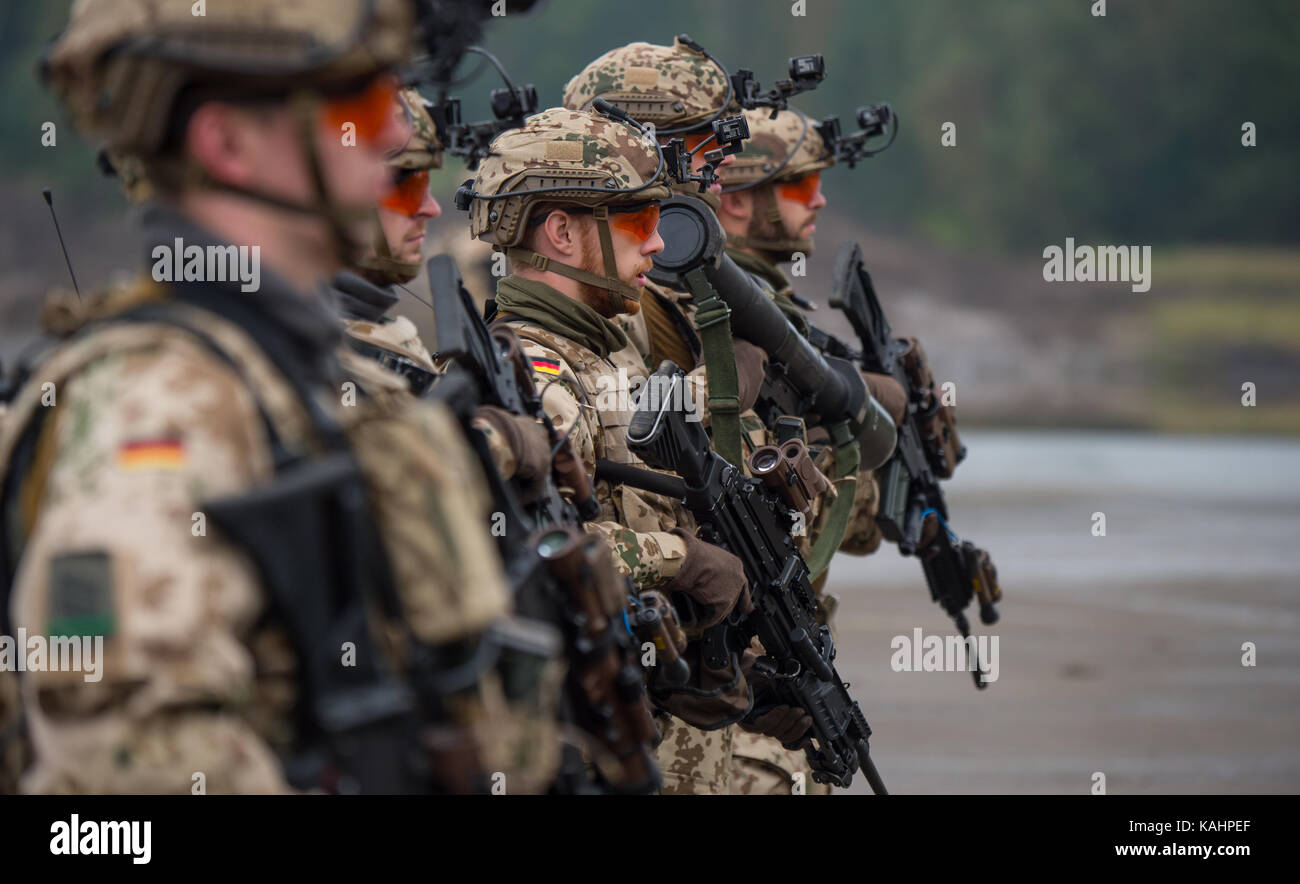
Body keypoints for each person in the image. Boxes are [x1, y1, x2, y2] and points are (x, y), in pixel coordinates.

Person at [0, 0, 561, 794]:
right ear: (227, 143)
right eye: (360, 105)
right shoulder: (156, 406)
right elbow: (119, 770)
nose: (397, 135)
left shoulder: (299, 380)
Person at [564, 39, 904, 795]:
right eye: (705, 146)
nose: (722, 168)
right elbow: (615, 495)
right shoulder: (609, 311)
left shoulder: (684, 300)